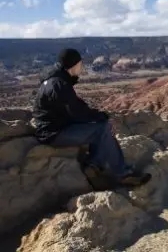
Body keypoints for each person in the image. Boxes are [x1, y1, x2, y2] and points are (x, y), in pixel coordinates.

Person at [32, 48, 151, 188]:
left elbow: (75, 105)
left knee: (101, 126)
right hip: (53, 133)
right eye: (80, 64)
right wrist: (99, 116)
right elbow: (76, 112)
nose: (81, 67)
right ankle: (122, 174)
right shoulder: (59, 85)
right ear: (73, 65)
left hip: (55, 126)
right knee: (101, 129)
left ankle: (94, 165)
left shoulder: (56, 80)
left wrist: (96, 115)